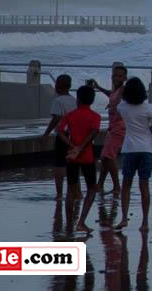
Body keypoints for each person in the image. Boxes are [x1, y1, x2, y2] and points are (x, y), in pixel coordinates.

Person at [115, 78, 152, 232]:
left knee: (126, 185)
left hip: (130, 150)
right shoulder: (150, 108)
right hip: (147, 150)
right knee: (144, 186)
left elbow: (118, 101)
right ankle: (145, 222)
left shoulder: (123, 108)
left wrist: (121, 88)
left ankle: (124, 218)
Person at [57, 85, 102, 233]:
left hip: (72, 156)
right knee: (91, 188)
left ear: (78, 98)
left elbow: (60, 132)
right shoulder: (95, 116)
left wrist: (72, 145)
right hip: (87, 156)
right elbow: (94, 133)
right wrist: (81, 147)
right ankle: (81, 221)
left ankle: (69, 223)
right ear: (92, 100)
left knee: (71, 190)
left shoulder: (70, 115)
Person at [89, 64, 128, 195]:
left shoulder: (124, 90)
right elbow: (111, 95)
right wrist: (98, 87)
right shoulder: (116, 91)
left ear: (125, 78)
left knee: (108, 156)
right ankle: (100, 185)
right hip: (113, 127)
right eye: (114, 75)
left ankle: (117, 186)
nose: (116, 78)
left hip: (119, 127)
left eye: (120, 76)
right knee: (105, 157)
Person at [44, 74, 77, 200]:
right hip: (73, 135)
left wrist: (46, 133)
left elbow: (56, 118)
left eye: (57, 83)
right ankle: (73, 192)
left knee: (59, 164)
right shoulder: (73, 100)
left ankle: (59, 194)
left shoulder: (58, 101)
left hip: (62, 135)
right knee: (71, 164)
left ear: (59, 85)